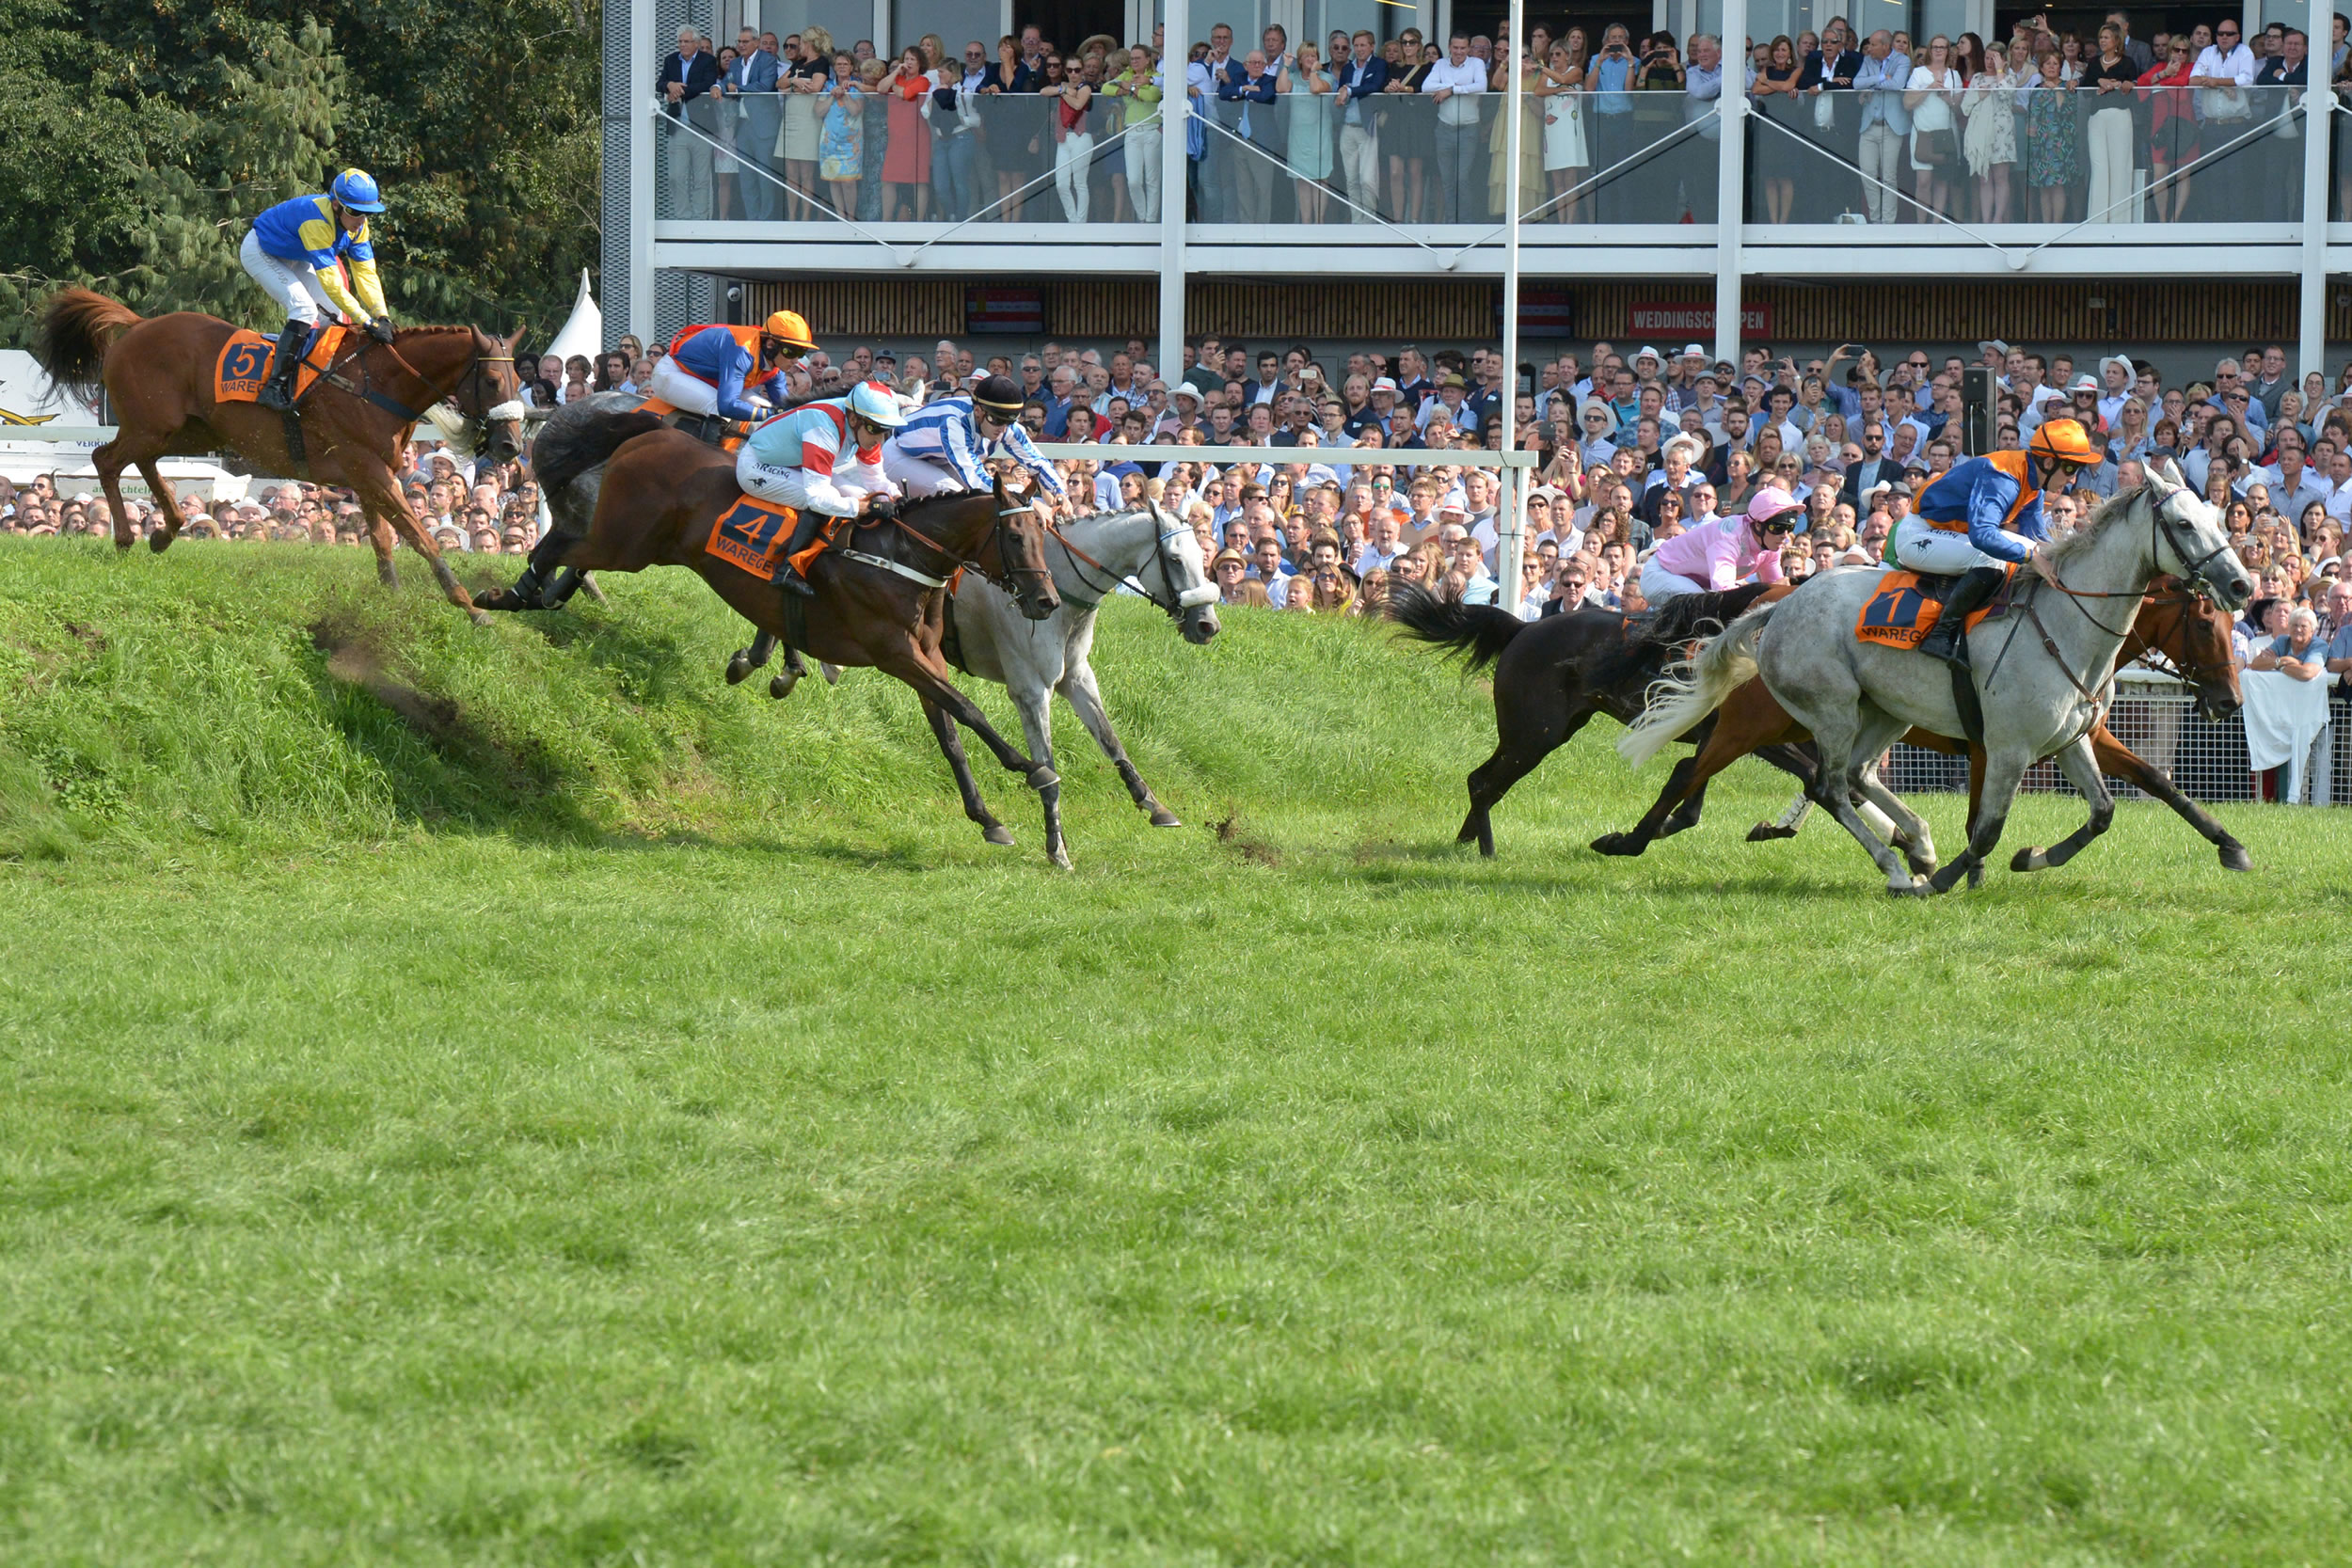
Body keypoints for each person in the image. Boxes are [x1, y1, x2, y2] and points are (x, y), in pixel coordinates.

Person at [1899, 418, 2100, 666]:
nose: (2072, 479)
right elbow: (1982, 534)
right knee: (1993, 559)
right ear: (2048, 462)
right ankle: (1941, 635)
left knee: (2031, 550)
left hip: (1951, 535)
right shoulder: (2003, 477)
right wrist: (2031, 557)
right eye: (2070, 468)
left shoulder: (2034, 485)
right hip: (1919, 534)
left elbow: (2038, 538)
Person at [239, 169, 397, 412]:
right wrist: (367, 322)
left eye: (367, 214)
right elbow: (332, 283)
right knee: (303, 309)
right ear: (335, 205)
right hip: (261, 251)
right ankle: (273, 387)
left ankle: (316, 380)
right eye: (354, 212)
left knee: (333, 317)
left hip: (295, 256)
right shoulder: (316, 220)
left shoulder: (359, 227)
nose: (361, 220)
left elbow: (365, 273)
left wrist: (381, 315)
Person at [736, 379, 907, 596]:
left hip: (796, 465)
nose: (879, 440)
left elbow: (876, 481)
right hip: (758, 466)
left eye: (886, 431)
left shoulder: (864, 428)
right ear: (853, 418)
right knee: (834, 500)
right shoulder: (824, 425)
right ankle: (788, 571)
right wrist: (866, 509)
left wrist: (897, 497)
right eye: (875, 429)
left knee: (862, 495)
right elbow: (818, 499)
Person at [882, 373, 1068, 507]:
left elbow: (1037, 461)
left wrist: (1060, 493)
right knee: (953, 492)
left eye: (1009, 421)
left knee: (1013, 489)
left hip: (939, 459)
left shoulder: (1006, 427)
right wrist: (1031, 504)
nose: (1002, 428)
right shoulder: (954, 422)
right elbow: (975, 480)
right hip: (900, 457)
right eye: (996, 420)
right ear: (978, 411)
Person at [644, 310, 816, 431]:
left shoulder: (775, 366)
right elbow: (727, 405)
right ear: (770, 344)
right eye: (790, 352)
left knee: (767, 406)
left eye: (801, 353)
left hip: (708, 378)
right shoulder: (743, 351)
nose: (795, 360)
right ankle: (710, 456)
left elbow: (784, 407)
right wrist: (771, 414)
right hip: (673, 372)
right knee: (716, 407)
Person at [1639, 485, 1800, 602]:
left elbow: (1775, 592)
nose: (1784, 536)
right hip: (1661, 573)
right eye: (1778, 527)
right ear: (1758, 525)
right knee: (1703, 603)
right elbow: (1724, 594)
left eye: (1789, 528)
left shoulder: (1772, 546)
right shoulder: (1728, 537)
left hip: (1695, 582)